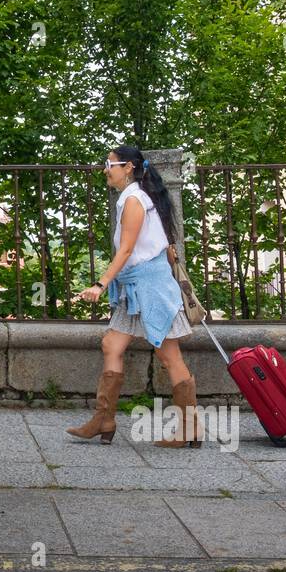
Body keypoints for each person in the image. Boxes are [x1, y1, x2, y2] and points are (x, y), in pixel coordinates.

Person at [66, 146, 201, 447]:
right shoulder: (133, 198)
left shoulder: (134, 200)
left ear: (128, 168)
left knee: (169, 356)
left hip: (150, 289)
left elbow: (126, 250)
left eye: (109, 164)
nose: (105, 170)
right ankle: (104, 420)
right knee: (111, 344)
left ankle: (190, 428)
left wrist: (100, 285)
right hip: (135, 288)